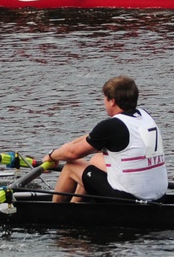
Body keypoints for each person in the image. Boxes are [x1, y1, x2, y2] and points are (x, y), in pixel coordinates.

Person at [45, 75, 167, 204]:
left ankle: (55, 212)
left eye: (104, 98)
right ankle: (76, 204)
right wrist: (66, 146)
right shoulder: (144, 116)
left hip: (129, 200)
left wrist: (52, 156)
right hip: (158, 196)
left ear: (112, 101)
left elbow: (72, 153)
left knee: (71, 165)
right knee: (96, 160)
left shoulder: (112, 126)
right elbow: (93, 137)